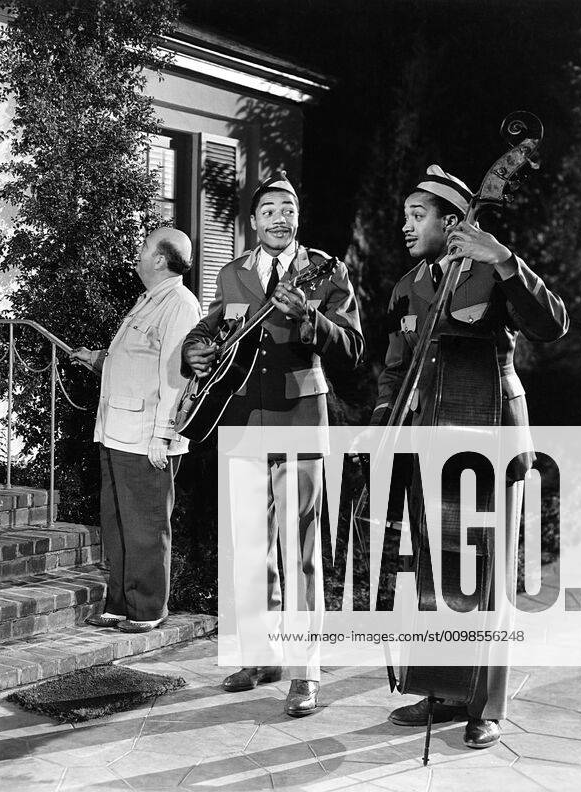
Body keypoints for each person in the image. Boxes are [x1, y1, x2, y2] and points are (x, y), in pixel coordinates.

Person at [373, 164, 568, 748]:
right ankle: (441, 692)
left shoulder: (493, 270)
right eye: (404, 214)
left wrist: (507, 260)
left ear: (452, 221)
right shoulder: (408, 286)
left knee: (487, 577)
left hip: (490, 438)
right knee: (436, 571)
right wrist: (386, 423)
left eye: (418, 215)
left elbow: (551, 324)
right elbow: (393, 367)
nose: (406, 225)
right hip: (429, 440)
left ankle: (486, 704)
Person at [181, 174, 363, 716]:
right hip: (240, 422)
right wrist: (192, 352)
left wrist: (309, 318)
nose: (280, 218)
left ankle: (305, 673)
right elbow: (210, 329)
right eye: (269, 210)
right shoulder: (233, 272)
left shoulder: (326, 270)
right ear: (253, 221)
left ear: (297, 218)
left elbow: (352, 346)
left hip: (302, 419)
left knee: (302, 551)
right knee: (250, 548)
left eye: (289, 208)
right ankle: (261, 655)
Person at [72, 228, 202, 633]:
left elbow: (177, 379)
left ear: (161, 260)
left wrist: (163, 435)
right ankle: (119, 603)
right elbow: (137, 361)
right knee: (118, 523)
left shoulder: (180, 304)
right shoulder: (149, 300)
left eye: (145, 248)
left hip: (147, 436)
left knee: (146, 526)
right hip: (117, 429)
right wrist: (97, 360)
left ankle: (146, 609)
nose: (138, 252)